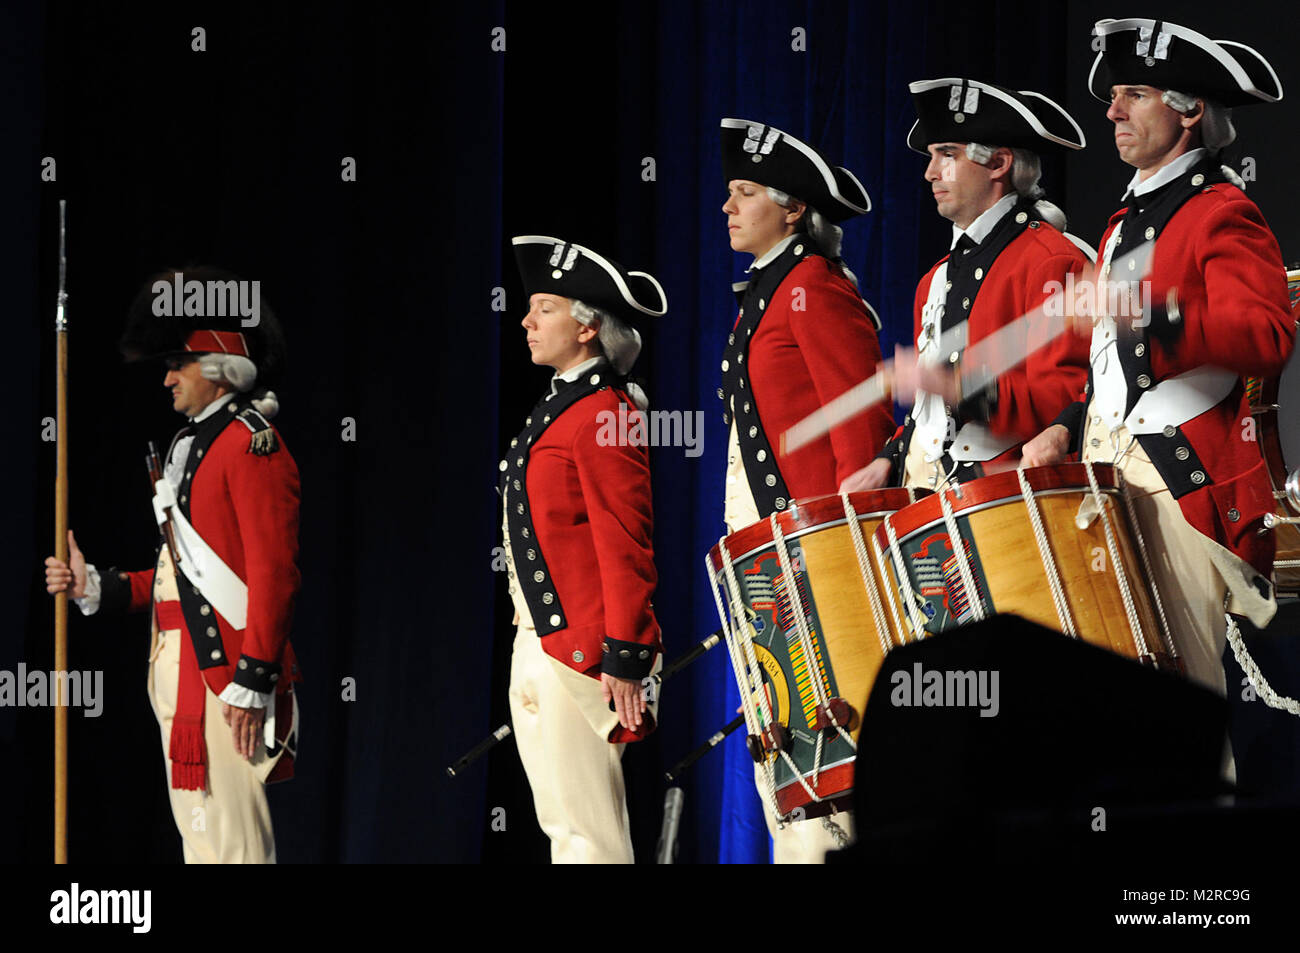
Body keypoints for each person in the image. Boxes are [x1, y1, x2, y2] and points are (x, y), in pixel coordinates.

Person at [1021, 18, 1294, 718]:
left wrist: (1156, 313)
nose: (1111, 111)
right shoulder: (1121, 223)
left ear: (1189, 109)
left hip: (1178, 486)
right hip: (1104, 481)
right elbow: (1112, 368)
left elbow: (1267, 335)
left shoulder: (1221, 212)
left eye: (1133, 93)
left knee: (1180, 723)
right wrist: (1064, 425)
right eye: (1113, 95)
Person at [44, 267, 301, 863]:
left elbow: (274, 574)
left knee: (234, 853)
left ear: (218, 369)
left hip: (227, 677)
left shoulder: (250, 444)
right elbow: (179, 580)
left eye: (177, 365)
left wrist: (255, 676)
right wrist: (95, 587)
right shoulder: (196, 446)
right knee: (202, 845)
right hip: (179, 670)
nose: (165, 379)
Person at [718, 118, 893, 863]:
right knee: (781, 759)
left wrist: (842, 556)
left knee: (826, 763)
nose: (727, 206)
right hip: (766, 554)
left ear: (792, 210)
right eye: (728, 192)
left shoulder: (815, 288)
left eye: (746, 192)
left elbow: (862, 435)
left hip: (814, 558)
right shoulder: (765, 292)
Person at [842, 78, 1092, 493]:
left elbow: (1070, 399)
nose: (929, 172)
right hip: (927, 493)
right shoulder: (934, 279)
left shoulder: (1051, 259)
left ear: (998, 164)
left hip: (1006, 501)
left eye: (947, 154)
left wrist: (962, 386)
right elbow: (936, 415)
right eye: (932, 156)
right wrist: (890, 457)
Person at [502, 235, 666, 863]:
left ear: (588, 327)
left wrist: (626, 654)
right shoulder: (561, 408)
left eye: (543, 306)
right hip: (539, 639)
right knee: (561, 828)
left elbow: (626, 542)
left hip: (584, 652)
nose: (526, 320)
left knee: (587, 835)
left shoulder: (605, 410)